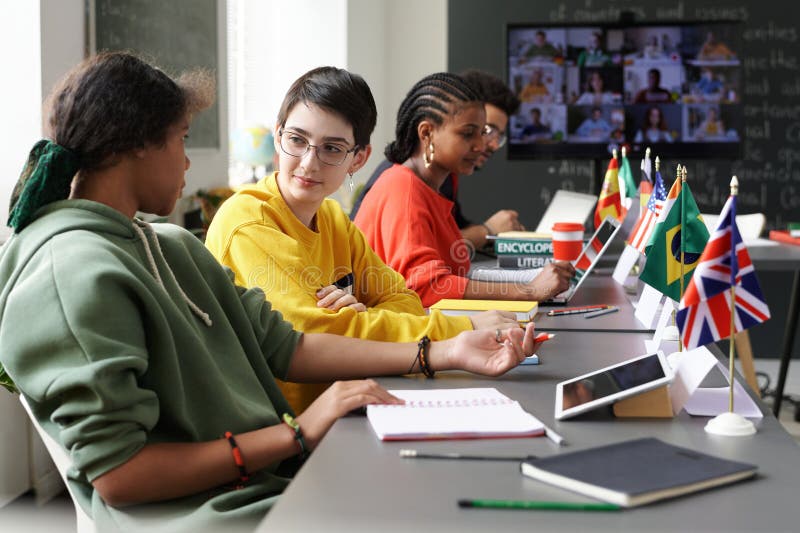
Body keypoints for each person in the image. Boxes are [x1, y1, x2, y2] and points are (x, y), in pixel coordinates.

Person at [0, 52, 544, 532]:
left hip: (266, 475)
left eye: (332, 148)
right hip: (213, 508)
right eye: (183, 138)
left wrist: (445, 351)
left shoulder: (168, 245)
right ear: (140, 143)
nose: (188, 161)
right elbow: (120, 476)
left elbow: (287, 344)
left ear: (357, 156)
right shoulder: (72, 272)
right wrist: (298, 433)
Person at [205, 67, 519, 413]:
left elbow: (405, 299)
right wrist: (459, 328)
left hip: (346, 404)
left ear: (359, 158)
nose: (309, 163)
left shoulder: (334, 219)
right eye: (297, 140)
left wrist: (361, 313)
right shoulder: (248, 220)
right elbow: (310, 335)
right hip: (283, 431)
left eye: (332, 149)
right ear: (278, 136)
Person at [353, 73, 574, 307]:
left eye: (482, 133)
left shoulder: (431, 187)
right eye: (468, 134)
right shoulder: (404, 189)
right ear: (427, 133)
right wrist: (529, 290)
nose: (480, 145)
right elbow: (423, 287)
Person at [350, 70, 525, 250]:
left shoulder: (443, 177)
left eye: (489, 134)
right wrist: (487, 230)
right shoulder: (403, 184)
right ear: (427, 132)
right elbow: (427, 253)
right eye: (486, 131)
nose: (489, 144)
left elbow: (450, 232)